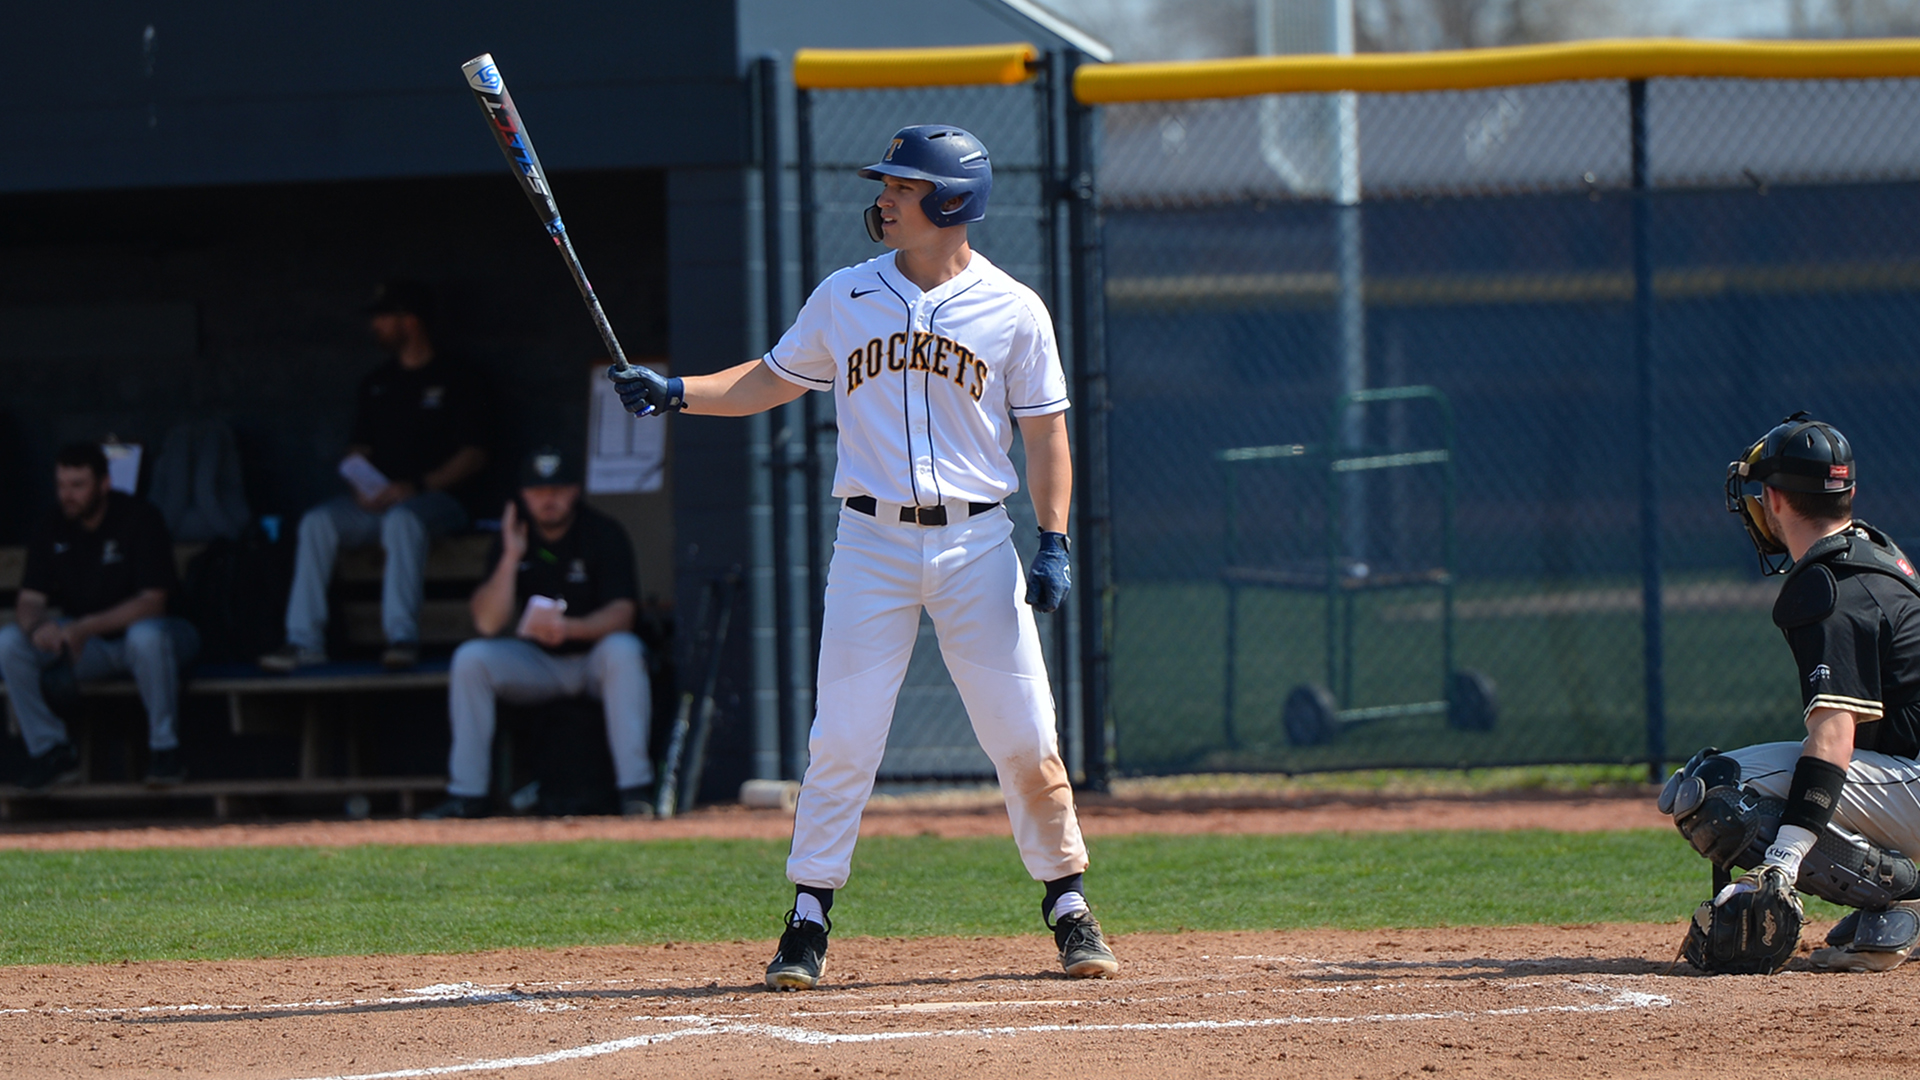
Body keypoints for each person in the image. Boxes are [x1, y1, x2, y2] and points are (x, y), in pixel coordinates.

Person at [610, 124, 1117, 988]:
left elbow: (1046, 437)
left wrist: (1055, 538)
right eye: (887, 182)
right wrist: (677, 394)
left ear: (952, 202)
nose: (885, 195)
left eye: (904, 185)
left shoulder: (1014, 308)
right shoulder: (846, 296)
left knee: (1027, 735)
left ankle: (1067, 903)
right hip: (871, 544)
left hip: (974, 540)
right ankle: (807, 920)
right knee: (841, 740)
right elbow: (771, 379)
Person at [1664, 412, 1920, 974]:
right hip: (1909, 775)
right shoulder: (1875, 553)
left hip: (1915, 784)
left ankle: (1904, 897)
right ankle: (1893, 909)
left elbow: (1832, 739)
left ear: (1775, 500)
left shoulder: (1827, 585)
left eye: (1761, 493)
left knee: (1709, 791)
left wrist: (1780, 861)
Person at [260, 280, 490, 672]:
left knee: (403, 520)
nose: (375, 327)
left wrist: (415, 487)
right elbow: (358, 449)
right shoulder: (377, 383)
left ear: (410, 321)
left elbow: (474, 455)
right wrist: (361, 484)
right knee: (318, 522)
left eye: (383, 318)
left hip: (440, 502)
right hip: (378, 502)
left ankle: (402, 638)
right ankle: (304, 642)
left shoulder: (459, 377)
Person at [419, 447, 654, 819]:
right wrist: (512, 556)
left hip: (593, 660)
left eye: (558, 490)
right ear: (523, 495)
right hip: (538, 664)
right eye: (539, 491)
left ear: (575, 490)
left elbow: (623, 613)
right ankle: (467, 793)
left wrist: (571, 628)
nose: (549, 499)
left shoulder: (602, 532)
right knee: (472, 659)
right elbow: (487, 623)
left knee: (624, 650)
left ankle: (635, 792)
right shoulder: (513, 537)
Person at [0, 443, 200, 787]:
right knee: (9, 642)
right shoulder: (52, 524)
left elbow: (153, 602)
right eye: (62, 485)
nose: (68, 495)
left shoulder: (140, 517)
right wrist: (37, 628)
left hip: (160, 637)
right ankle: (52, 751)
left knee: (146, 637)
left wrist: (84, 627)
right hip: (88, 646)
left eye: (78, 485)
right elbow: (30, 598)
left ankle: (165, 752)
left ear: (104, 484)